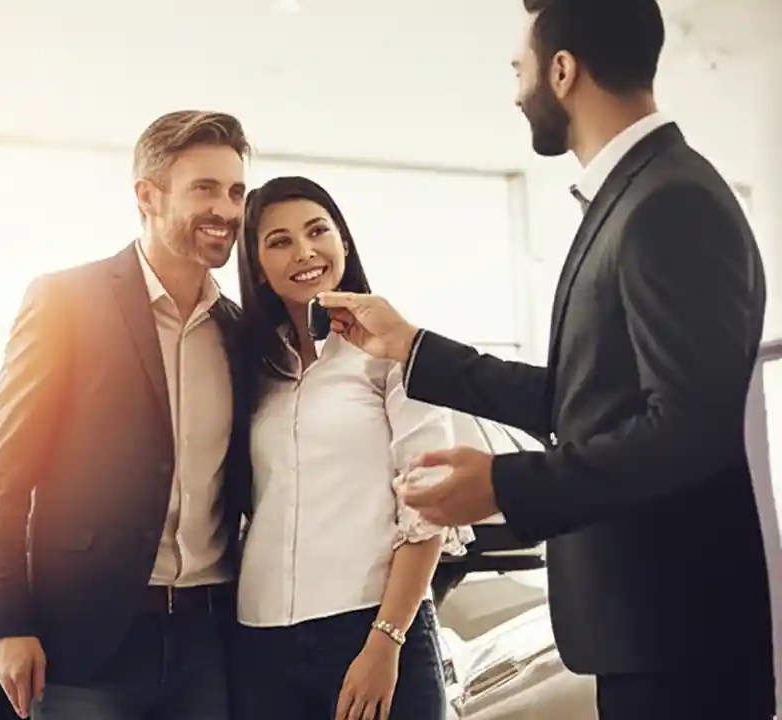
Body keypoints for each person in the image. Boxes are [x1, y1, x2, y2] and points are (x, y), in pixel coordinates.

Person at [317, 1, 774, 718]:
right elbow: (582, 400)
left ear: (562, 71)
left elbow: (690, 432)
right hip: (650, 635)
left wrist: (504, 485)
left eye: (519, 68)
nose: (515, 90)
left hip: (682, 639)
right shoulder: (635, 197)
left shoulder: (671, 201)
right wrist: (412, 347)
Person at [0, 109, 252, 720]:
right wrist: (6, 625)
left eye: (236, 192)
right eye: (204, 188)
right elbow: (4, 475)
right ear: (147, 196)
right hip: (89, 640)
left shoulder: (238, 331)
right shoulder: (66, 301)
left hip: (208, 639)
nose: (227, 210)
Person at [229, 176, 472, 720]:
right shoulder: (251, 370)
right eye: (279, 241)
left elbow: (428, 509)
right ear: (259, 268)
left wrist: (386, 641)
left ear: (344, 242)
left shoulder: (394, 352)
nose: (305, 251)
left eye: (318, 231)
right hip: (260, 640)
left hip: (371, 628)